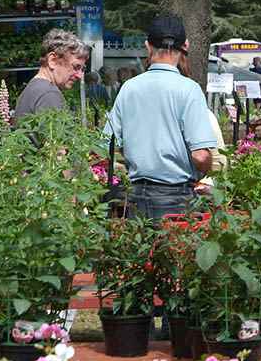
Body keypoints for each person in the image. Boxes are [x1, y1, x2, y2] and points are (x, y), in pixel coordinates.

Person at [103, 14, 217, 218]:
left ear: (148, 46)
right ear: (186, 46)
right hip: (176, 197)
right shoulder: (189, 90)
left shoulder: (129, 88)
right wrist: (207, 168)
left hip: (134, 196)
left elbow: (105, 145)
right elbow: (200, 155)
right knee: (174, 250)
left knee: (138, 249)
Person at [13, 29, 89, 124]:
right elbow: (54, 138)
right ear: (52, 60)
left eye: (82, 69)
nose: (80, 75)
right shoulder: (49, 94)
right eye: (76, 67)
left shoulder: (36, 88)